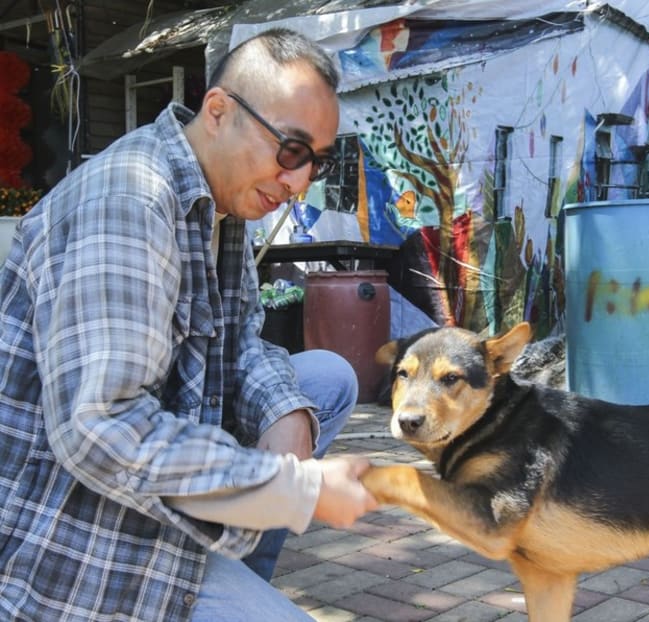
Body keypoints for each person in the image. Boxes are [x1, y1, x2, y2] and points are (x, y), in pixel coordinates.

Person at [0, 27, 377, 622]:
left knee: (323, 383)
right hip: (70, 541)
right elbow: (103, 427)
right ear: (220, 111)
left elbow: (243, 340)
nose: (300, 181)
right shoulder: (129, 200)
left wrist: (284, 413)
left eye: (316, 163)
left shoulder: (221, 202)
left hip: (147, 485)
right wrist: (285, 488)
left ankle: (232, 570)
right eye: (290, 150)